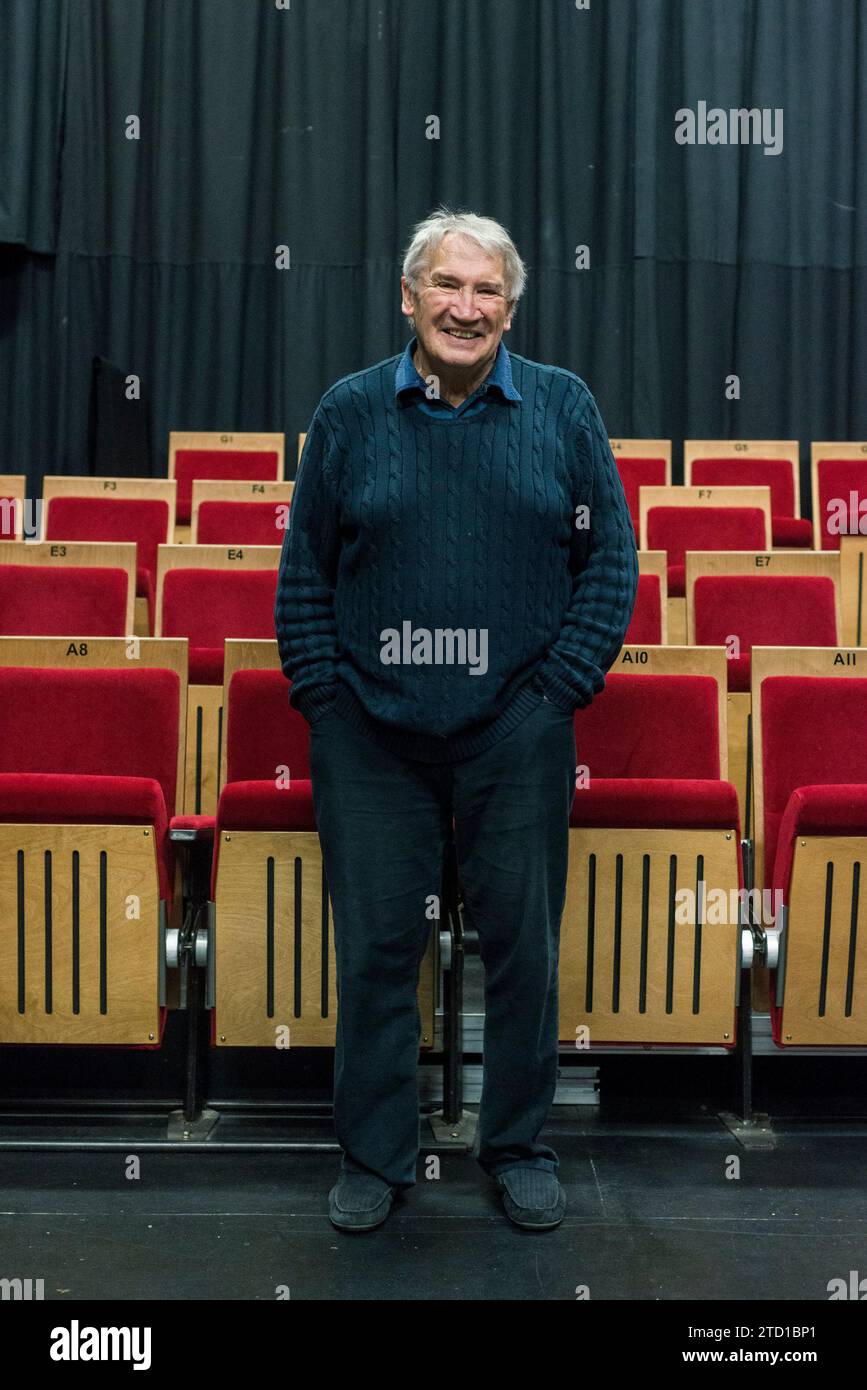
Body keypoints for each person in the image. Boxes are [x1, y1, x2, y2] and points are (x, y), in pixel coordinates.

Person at [275, 208, 638, 1232]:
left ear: (510, 308)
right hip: (372, 738)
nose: (464, 307)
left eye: (486, 291)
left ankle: (518, 1144)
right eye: (446, 285)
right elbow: (304, 572)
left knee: (523, 950)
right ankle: (375, 1156)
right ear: (408, 296)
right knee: (378, 950)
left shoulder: (564, 408)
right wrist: (325, 696)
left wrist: (556, 691)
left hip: (516, 735)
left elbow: (610, 561)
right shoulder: (349, 413)